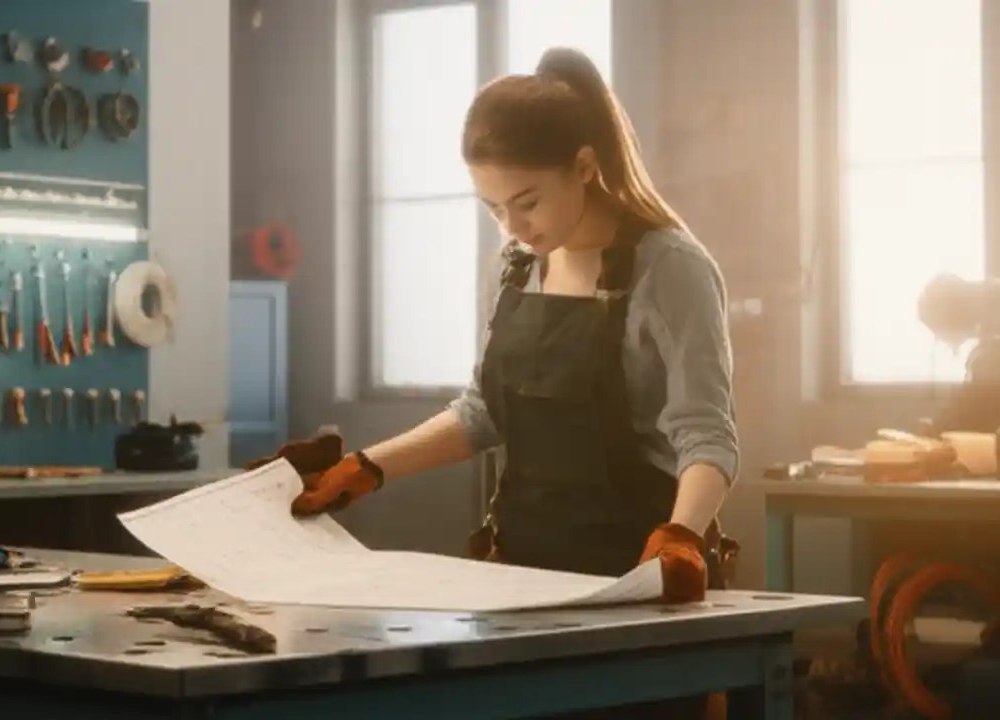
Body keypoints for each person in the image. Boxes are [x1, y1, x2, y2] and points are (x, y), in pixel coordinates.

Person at [249, 46, 739, 718]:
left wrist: (682, 539)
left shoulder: (672, 269)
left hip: (635, 587)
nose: (512, 227)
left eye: (527, 202)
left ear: (586, 168)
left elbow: (706, 435)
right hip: (521, 582)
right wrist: (367, 467)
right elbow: (483, 414)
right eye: (492, 208)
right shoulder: (513, 268)